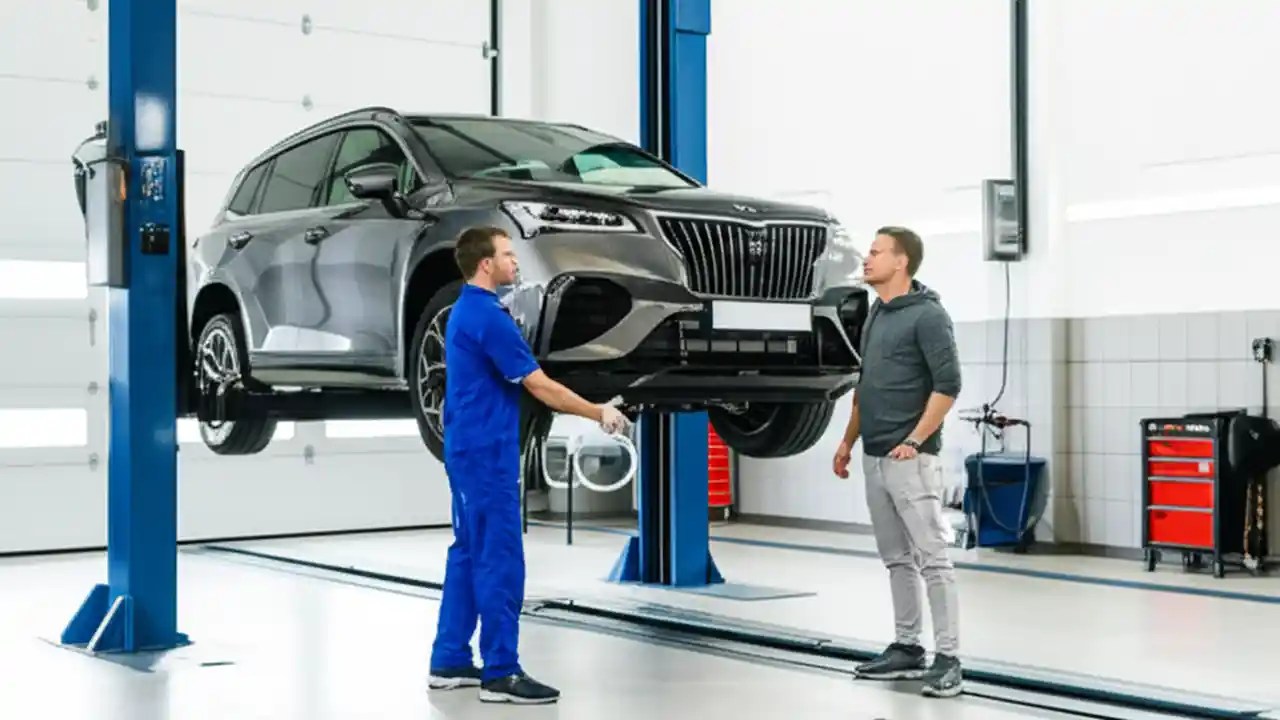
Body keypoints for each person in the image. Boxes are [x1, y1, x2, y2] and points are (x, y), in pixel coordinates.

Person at [427, 225, 630, 704]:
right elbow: (540, 386)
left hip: (466, 450)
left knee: (468, 552)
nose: (515, 261)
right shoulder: (489, 317)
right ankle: (501, 672)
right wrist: (598, 411)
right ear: (485, 264)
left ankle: (450, 659)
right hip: (487, 455)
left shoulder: (462, 310)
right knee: (499, 557)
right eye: (507, 254)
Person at [832, 226, 963, 698]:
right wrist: (847, 441)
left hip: (911, 459)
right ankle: (908, 648)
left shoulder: (928, 315)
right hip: (873, 455)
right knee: (896, 559)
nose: (867, 259)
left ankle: (948, 658)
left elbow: (948, 385)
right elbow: (864, 387)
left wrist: (914, 439)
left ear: (901, 261)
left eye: (876, 252)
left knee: (933, 560)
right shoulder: (876, 313)